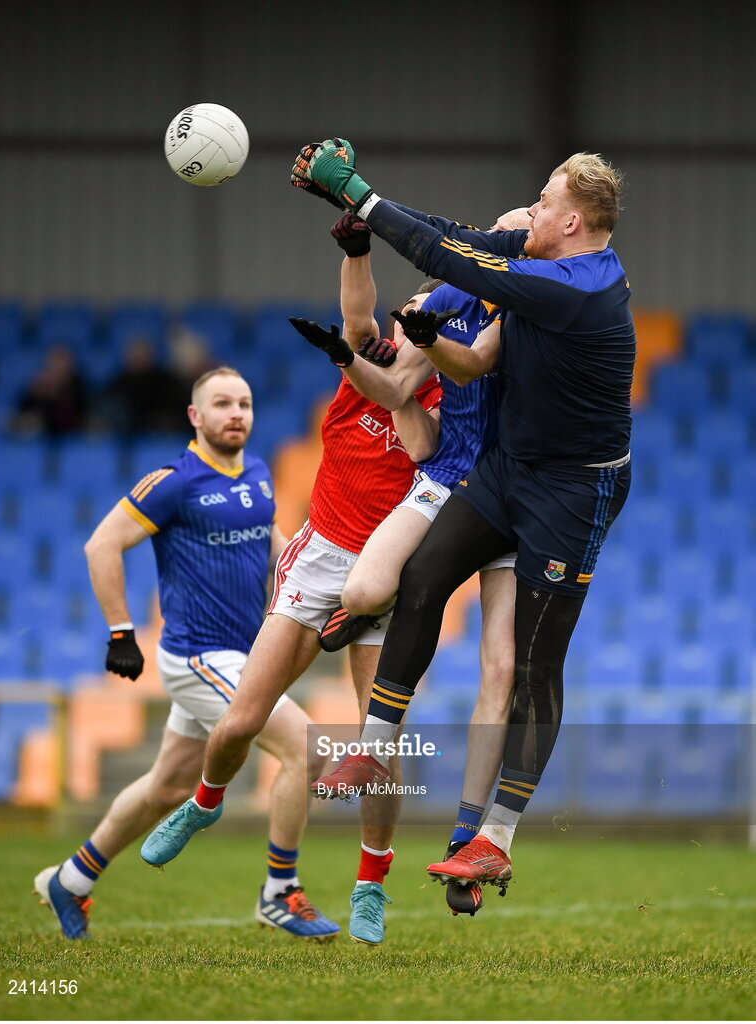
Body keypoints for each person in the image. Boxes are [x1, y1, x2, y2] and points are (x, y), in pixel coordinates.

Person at [296, 141, 634, 896]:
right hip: (508, 467)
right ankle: (373, 749)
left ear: (572, 222)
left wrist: (361, 189)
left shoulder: (574, 287)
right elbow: (455, 243)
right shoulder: (540, 256)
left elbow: (455, 264)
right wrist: (359, 213)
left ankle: (495, 840)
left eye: (545, 202)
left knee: (533, 666)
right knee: (421, 576)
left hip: (574, 493)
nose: (535, 209)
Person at [139, 224, 442, 946]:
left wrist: (410, 381)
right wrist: (357, 250)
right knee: (242, 719)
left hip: (387, 576)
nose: (407, 325)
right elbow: (358, 317)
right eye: (409, 315)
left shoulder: (448, 402)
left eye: (424, 321)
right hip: (319, 562)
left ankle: (371, 883)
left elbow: (427, 445)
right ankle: (205, 803)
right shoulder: (362, 361)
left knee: (381, 745)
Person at [34, 366, 339, 941]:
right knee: (305, 749)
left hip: (239, 656)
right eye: (221, 404)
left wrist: (308, 583)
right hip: (199, 657)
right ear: (195, 417)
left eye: (244, 403)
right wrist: (121, 631)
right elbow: (101, 544)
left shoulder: (256, 469)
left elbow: (269, 540)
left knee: (167, 787)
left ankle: (70, 880)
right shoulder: (173, 481)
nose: (236, 414)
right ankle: (279, 891)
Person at [293, 212, 518, 916]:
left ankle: (468, 849)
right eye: (494, 233)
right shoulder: (450, 298)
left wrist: (421, 341)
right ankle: (367, 705)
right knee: (365, 588)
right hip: (451, 477)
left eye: (510, 233)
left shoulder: (533, 304)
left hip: (519, 490)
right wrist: (350, 353)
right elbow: (389, 376)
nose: (500, 240)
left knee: (502, 670)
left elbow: (476, 362)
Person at [11, 344, 87, 436]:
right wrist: (38, 394)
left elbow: (79, 414)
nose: (58, 368)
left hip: (69, 431)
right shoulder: (39, 385)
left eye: (62, 363)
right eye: (54, 363)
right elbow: (23, 409)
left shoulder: (79, 385)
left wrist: (55, 393)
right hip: (38, 430)